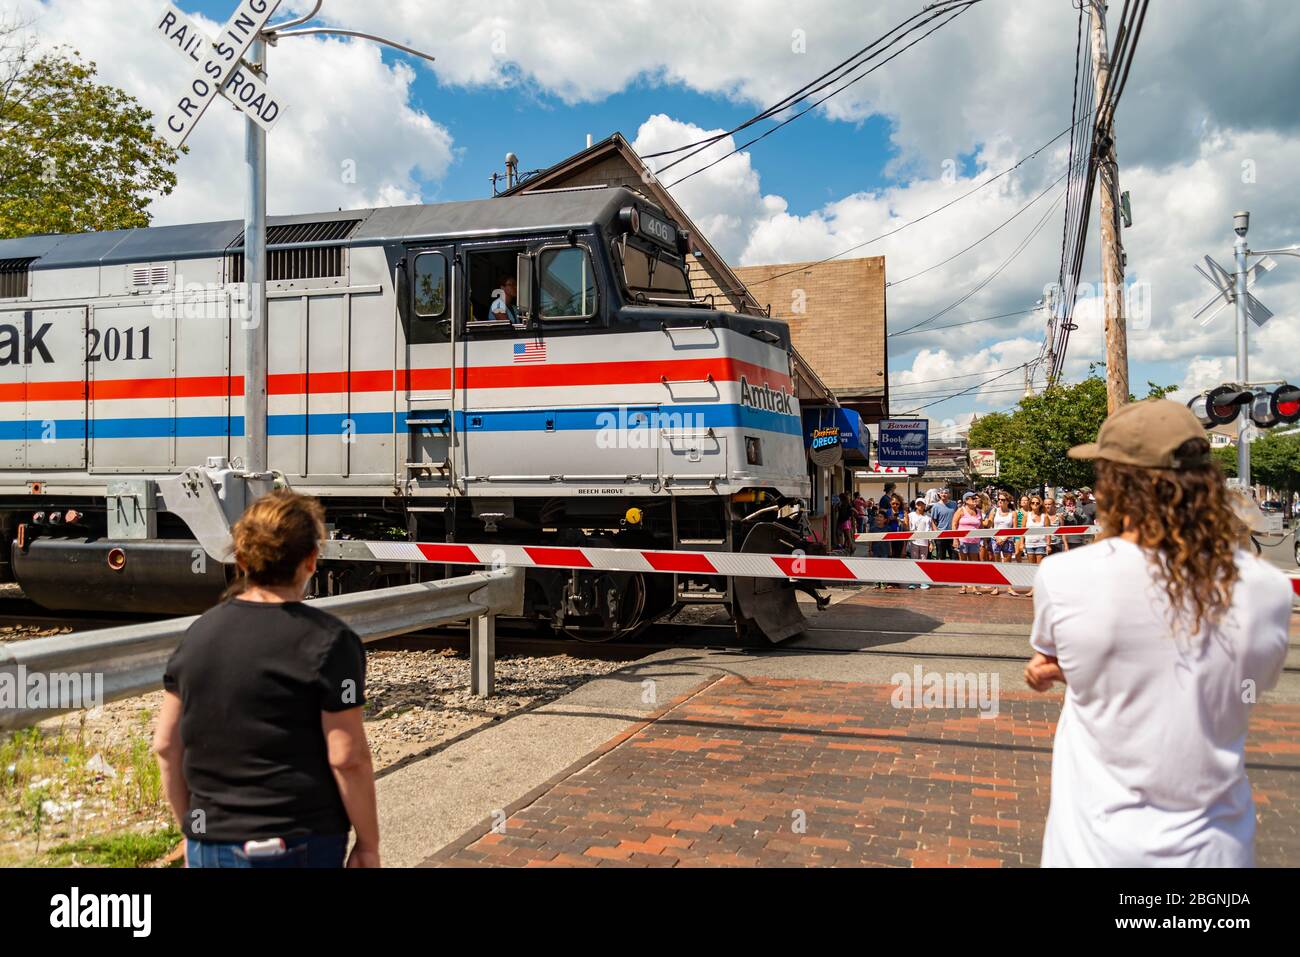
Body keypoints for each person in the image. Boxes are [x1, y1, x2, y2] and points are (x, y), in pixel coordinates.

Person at [1023, 399, 1290, 867]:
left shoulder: (1065, 576)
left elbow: (1073, 659)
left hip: (1092, 849)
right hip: (1216, 852)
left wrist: (1065, 671)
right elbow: (1218, 681)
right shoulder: (1268, 589)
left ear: (1115, 484)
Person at [153, 491, 380, 869]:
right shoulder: (331, 641)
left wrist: (193, 831)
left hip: (214, 843)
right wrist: (368, 845)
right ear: (311, 561)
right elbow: (348, 757)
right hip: (302, 839)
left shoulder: (198, 635)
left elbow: (165, 745)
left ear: (241, 561)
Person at [988, 491, 1022, 596]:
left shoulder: (1013, 513)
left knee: (1007, 565)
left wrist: (1005, 538)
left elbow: (1014, 528)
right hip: (995, 539)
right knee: (996, 564)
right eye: (999, 499)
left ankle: (1009, 587)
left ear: (1008, 501)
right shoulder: (994, 511)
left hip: (1008, 540)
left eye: (1003, 500)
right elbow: (990, 526)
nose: (1000, 501)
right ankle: (996, 587)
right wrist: (997, 537)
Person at [954, 492, 985, 595]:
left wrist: (983, 540)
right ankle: (963, 586)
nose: (975, 499)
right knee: (963, 564)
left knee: (974, 564)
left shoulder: (979, 511)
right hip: (963, 541)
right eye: (972, 498)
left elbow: (981, 527)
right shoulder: (961, 510)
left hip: (975, 541)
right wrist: (955, 539)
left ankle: (975, 587)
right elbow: (954, 524)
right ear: (966, 500)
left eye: (976, 498)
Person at [905, 499, 934, 589]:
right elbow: (906, 526)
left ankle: (923, 582)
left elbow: (929, 530)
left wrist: (931, 543)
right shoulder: (910, 515)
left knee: (923, 561)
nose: (920, 506)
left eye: (922, 504)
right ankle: (913, 581)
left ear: (925, 505)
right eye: (918, 504)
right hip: (913, 542)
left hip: (924, 542)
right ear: (916, 505)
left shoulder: (928, 516)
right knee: (913, 561)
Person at [929, 489, 958, 561]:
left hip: (952, 534)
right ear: (939, 494)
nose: (944, 494)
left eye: (946, 493)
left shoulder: (954, 504)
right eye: (942, 493)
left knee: (954, 556)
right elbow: (932, 520)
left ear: (949, 494)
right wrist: (936, 532)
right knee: (941, 557)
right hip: (941, 535)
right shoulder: (936, 506)